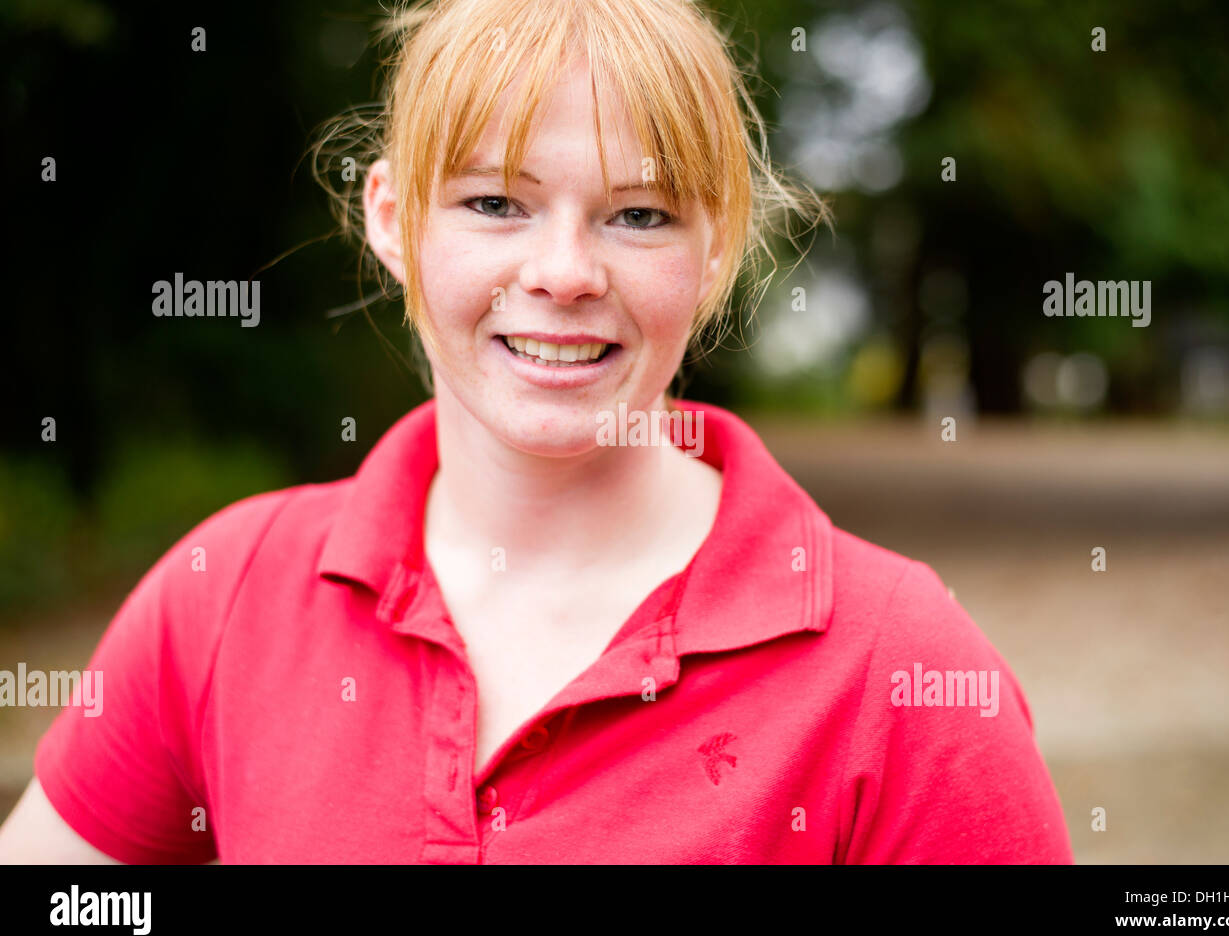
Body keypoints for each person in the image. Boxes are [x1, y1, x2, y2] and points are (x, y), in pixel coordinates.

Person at [0, 0, 1072, 864]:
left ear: (715, 251)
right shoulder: (223, 591)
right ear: (390, 219)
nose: (563, 272)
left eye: (638, 214)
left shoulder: (896, 665)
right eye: (494, 204)